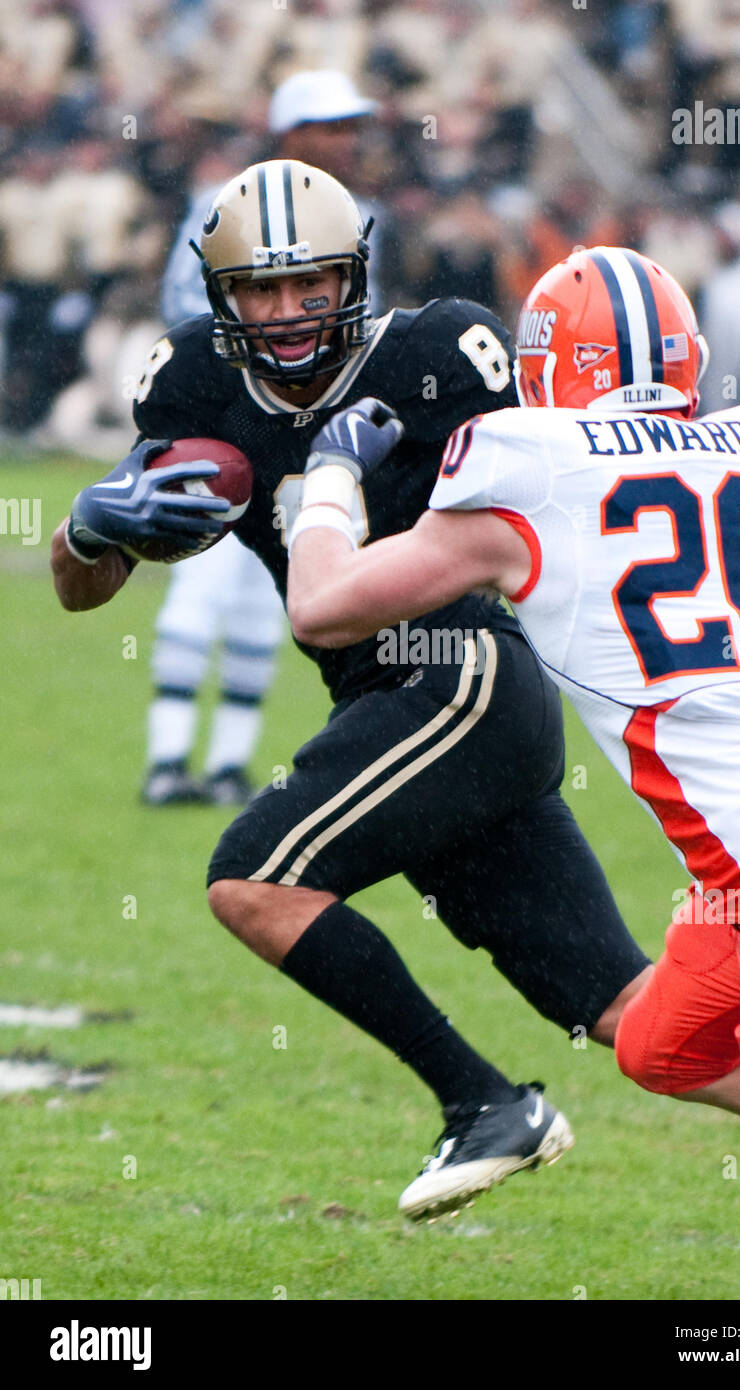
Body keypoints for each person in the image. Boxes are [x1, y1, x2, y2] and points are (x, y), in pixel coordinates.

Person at [50, 161, 678, 1223]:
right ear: (218, 294)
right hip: (396, 715)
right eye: (260, 289)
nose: (289, 313)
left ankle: (482, 1101)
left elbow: (589, 472)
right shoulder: (191, 385)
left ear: (356, 277)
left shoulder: (441, 354)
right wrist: (85, 527)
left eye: (312, 285)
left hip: (461, 675)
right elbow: (84, 589)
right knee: (635, 1017)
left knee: (251, 877)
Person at [282, 245, 740, 1255]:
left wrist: (329, 472)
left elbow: (320, 606)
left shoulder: (531, 472)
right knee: (657, 1042)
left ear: (547, 364)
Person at [142, 70, 380, 806]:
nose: (343, 139)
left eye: (349, 125)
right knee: (202, 574)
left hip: (314, 425)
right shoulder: (225, 207)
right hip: (232, 417)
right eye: (327, 125)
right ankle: (167, 756)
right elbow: (188, 307)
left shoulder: (360, 212)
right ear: (288, 133)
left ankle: (226, 765)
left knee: (273, 590)